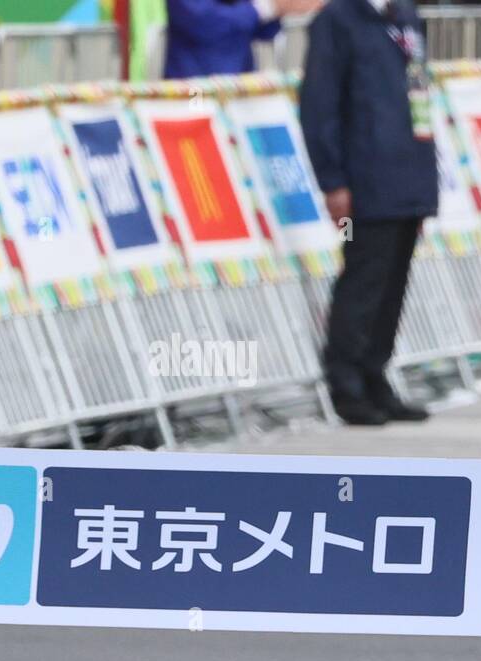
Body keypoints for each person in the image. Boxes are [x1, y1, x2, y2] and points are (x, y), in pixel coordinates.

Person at [299, 0, 437, 425]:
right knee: (363, 279)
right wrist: (333, 180)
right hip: (364, 180)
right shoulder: (336, 21)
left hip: (408, 171)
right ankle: (346, 383)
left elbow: (417, 91)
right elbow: (318, 105)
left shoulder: (405, 17)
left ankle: (375, 375)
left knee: (393, 282)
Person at [163, 0, 318, 79]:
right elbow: (203, 23)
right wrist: (265, 8)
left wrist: (284, 8)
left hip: (239, 81)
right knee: (195, 131)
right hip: (194, 87)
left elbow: (261, 31)